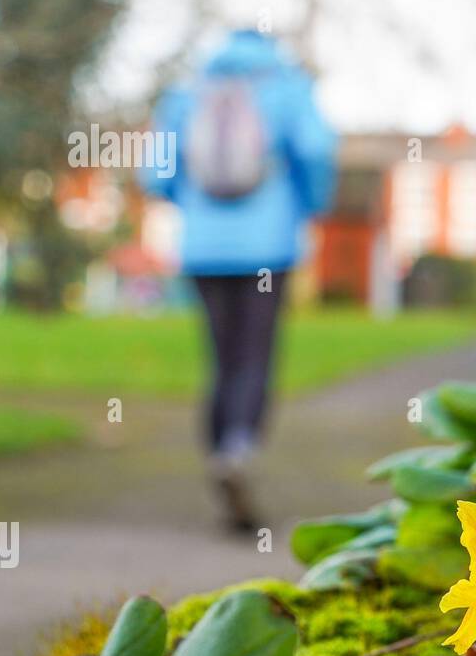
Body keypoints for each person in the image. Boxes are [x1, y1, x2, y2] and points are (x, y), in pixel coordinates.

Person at [140, 29, 335, 531]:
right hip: (268, 245)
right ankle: (238, 449)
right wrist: (309, 205)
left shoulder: (188, 91)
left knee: (221, 357)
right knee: (255, 354)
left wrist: (186, 202)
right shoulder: (287, 85)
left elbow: (155, 171)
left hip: (203, 248)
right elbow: (314, 150)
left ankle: (220, 454)